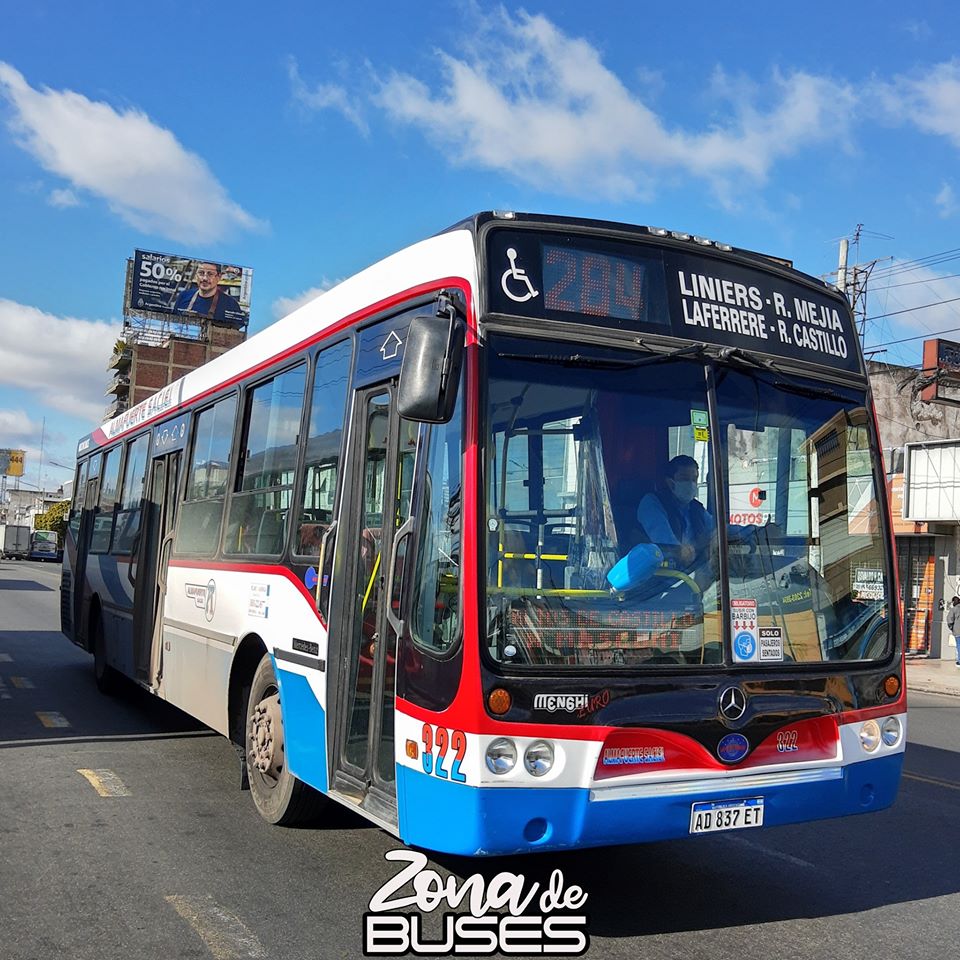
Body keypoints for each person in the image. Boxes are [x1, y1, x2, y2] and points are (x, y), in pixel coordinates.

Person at [636, 455, 713, 574]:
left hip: (695, 572)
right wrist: (700, 545)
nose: (691, 484)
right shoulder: (652, 503)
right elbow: (671, 547)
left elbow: (717, 529)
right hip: (661, 580)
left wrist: (746, 532)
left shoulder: (696, 507)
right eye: (685, 479)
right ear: (670, 483)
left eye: (694, 479)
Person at [174, 261, 244, 324]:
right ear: (196, 275)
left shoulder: (231, 305)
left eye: (210, 274)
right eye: (201, 273)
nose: (205, 278)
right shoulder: (183, 296)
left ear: (219, 277)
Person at [947, 596, 960, 666]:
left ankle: (959, 661)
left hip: (958, 631)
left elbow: (950, 620)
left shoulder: (953, 610)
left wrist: (952, 628)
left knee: (959, 645)